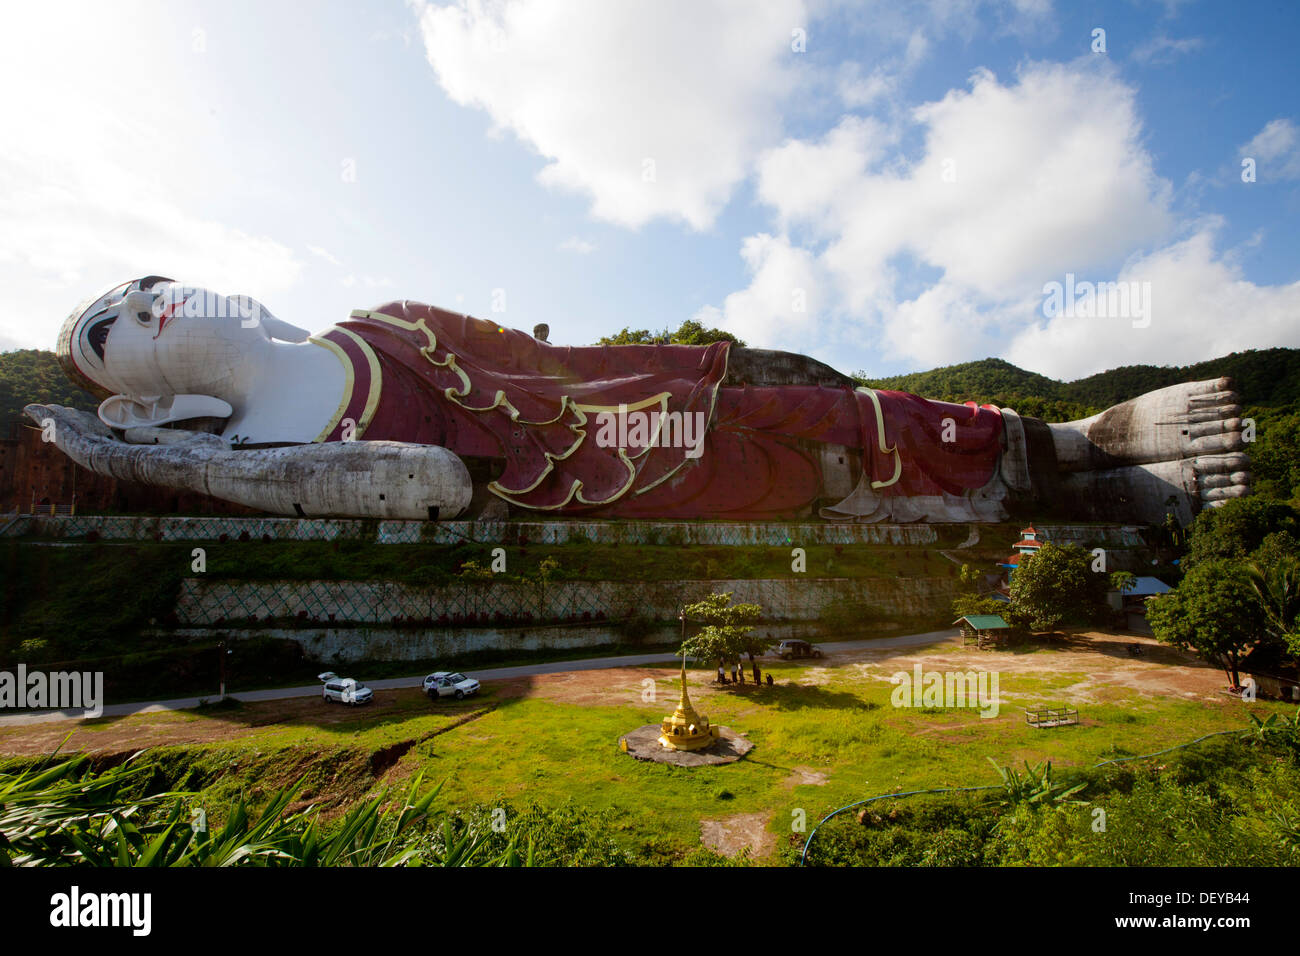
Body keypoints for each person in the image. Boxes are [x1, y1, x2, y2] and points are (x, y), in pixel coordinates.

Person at [40, 276, 1251, 525]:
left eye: (147, 281)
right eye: (112, 328)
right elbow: (428, 484)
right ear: (135, 404)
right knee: (800, 480)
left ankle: (1070, 435)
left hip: (613, 405)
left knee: (806, 406)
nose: (151, 304)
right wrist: (156, 468)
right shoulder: (252, 450)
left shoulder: (376, 324)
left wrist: (625, 382)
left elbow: (521, 351)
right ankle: (1097, 507)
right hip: (566, 493)